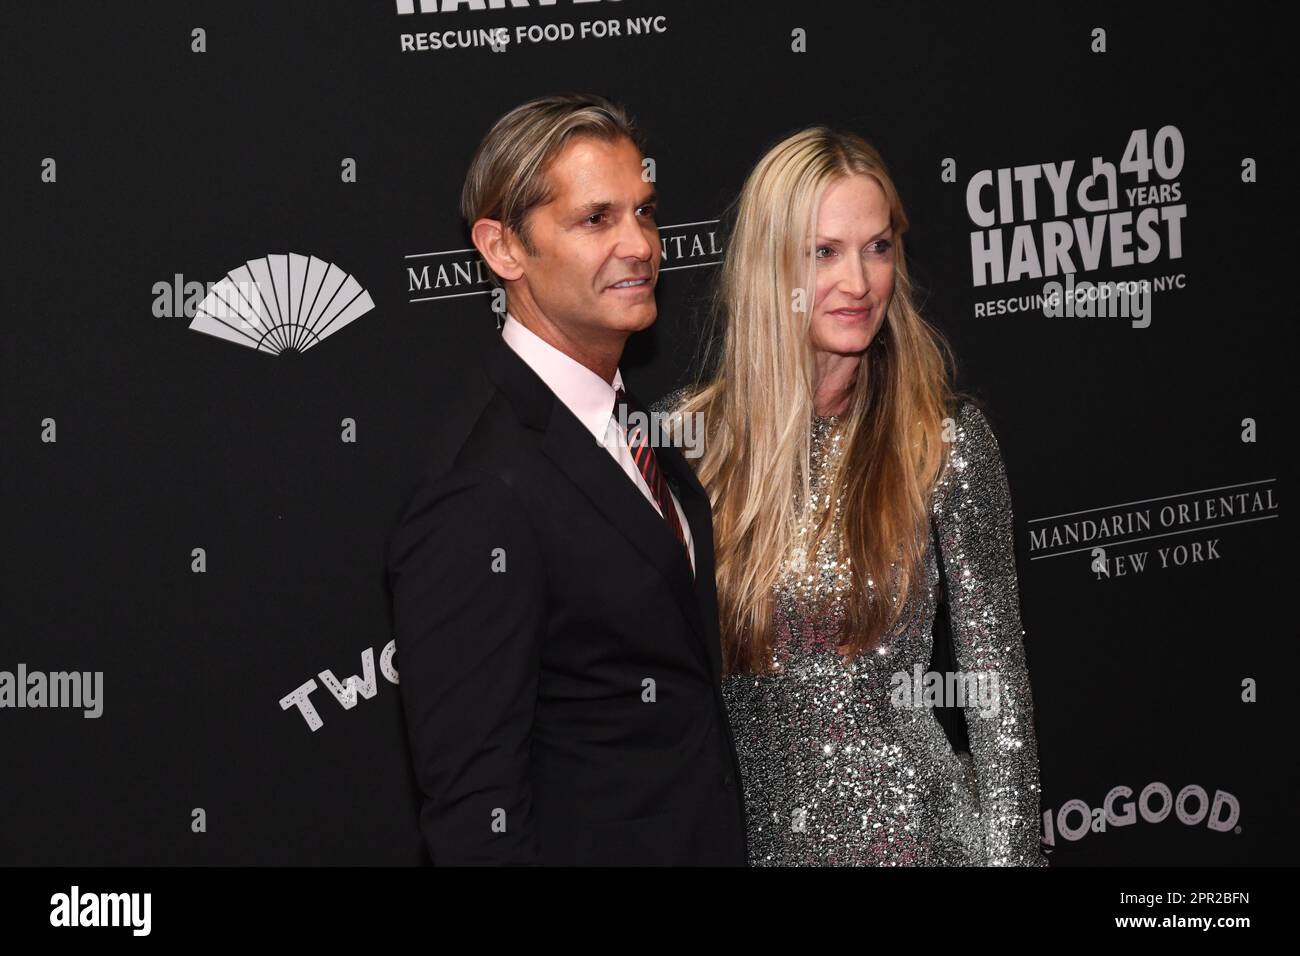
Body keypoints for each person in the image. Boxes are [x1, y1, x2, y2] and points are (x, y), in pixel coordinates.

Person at [655, 127, 1048, 866]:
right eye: (825, 252)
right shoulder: (684, 440)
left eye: (878, 247)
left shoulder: (944, 442)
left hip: (919, 843)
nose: (861, 283)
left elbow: (996, 696)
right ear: (770, 266)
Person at [384, 93, 746, 865]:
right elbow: (475, 809)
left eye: (644, 213)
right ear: (503, 249)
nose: (640, 244)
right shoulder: (481, 489)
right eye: (596, 219)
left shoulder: (631, 422)